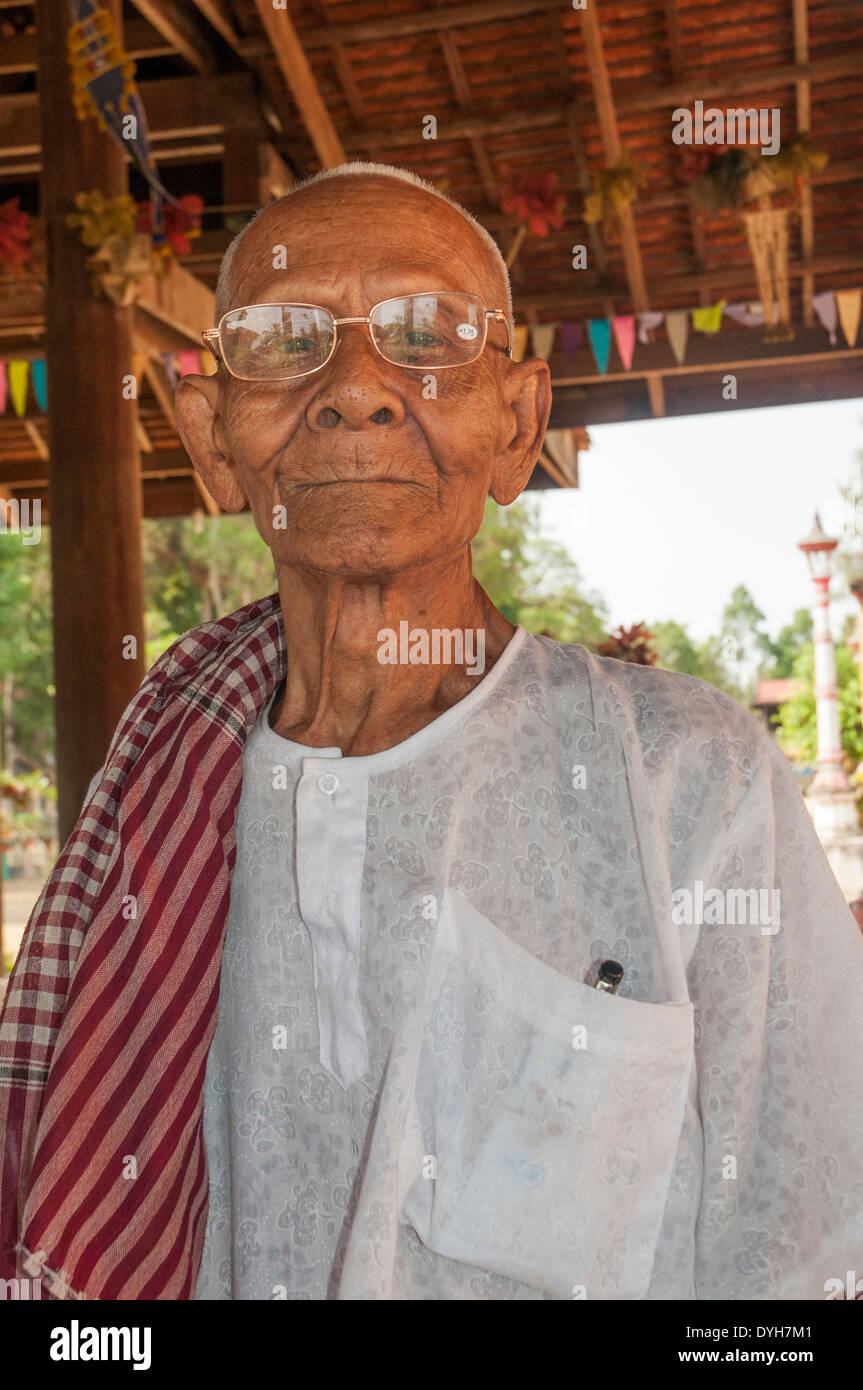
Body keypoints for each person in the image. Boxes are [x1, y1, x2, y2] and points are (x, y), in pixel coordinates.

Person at [1, 163, 861, 1301]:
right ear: (213, 439)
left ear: (516, 425)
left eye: (427, 333)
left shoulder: (690, 779)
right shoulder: (161, 794)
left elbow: (805, 1258)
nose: (355, 386)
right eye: (281, 337)